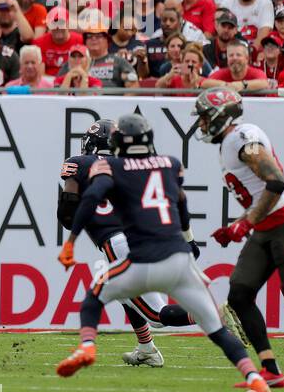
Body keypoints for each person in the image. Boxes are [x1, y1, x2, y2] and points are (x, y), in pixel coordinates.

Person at [58, 114, 273, 392]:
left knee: (141, 310)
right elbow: (180, 204)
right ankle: (248, 374)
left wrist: (71, 239)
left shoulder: (96, 165)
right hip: (176, 249)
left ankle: (87, 346)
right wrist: (191, 240)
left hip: (132, 248)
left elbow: (78, 206)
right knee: (139, 301)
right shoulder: (167, 164)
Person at [57, 119, 196, 368]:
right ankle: (147, 349)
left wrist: (74, 227)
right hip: (146, 237)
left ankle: (216, 316)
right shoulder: (133, 166)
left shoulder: (80, 163)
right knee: (122, 293)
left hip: (121, 244)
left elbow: (68, 213)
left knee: (157, 316)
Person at [194, 88, 284, 390]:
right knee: (240, 295)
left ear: (219, 115)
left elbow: (276, 181)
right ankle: (270, 369)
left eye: (204, 117)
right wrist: (237, 225)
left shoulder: (242, 139)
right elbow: (257, 193)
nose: (201, 125)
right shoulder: (231, 143)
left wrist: (247, 222)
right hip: (265, 228)